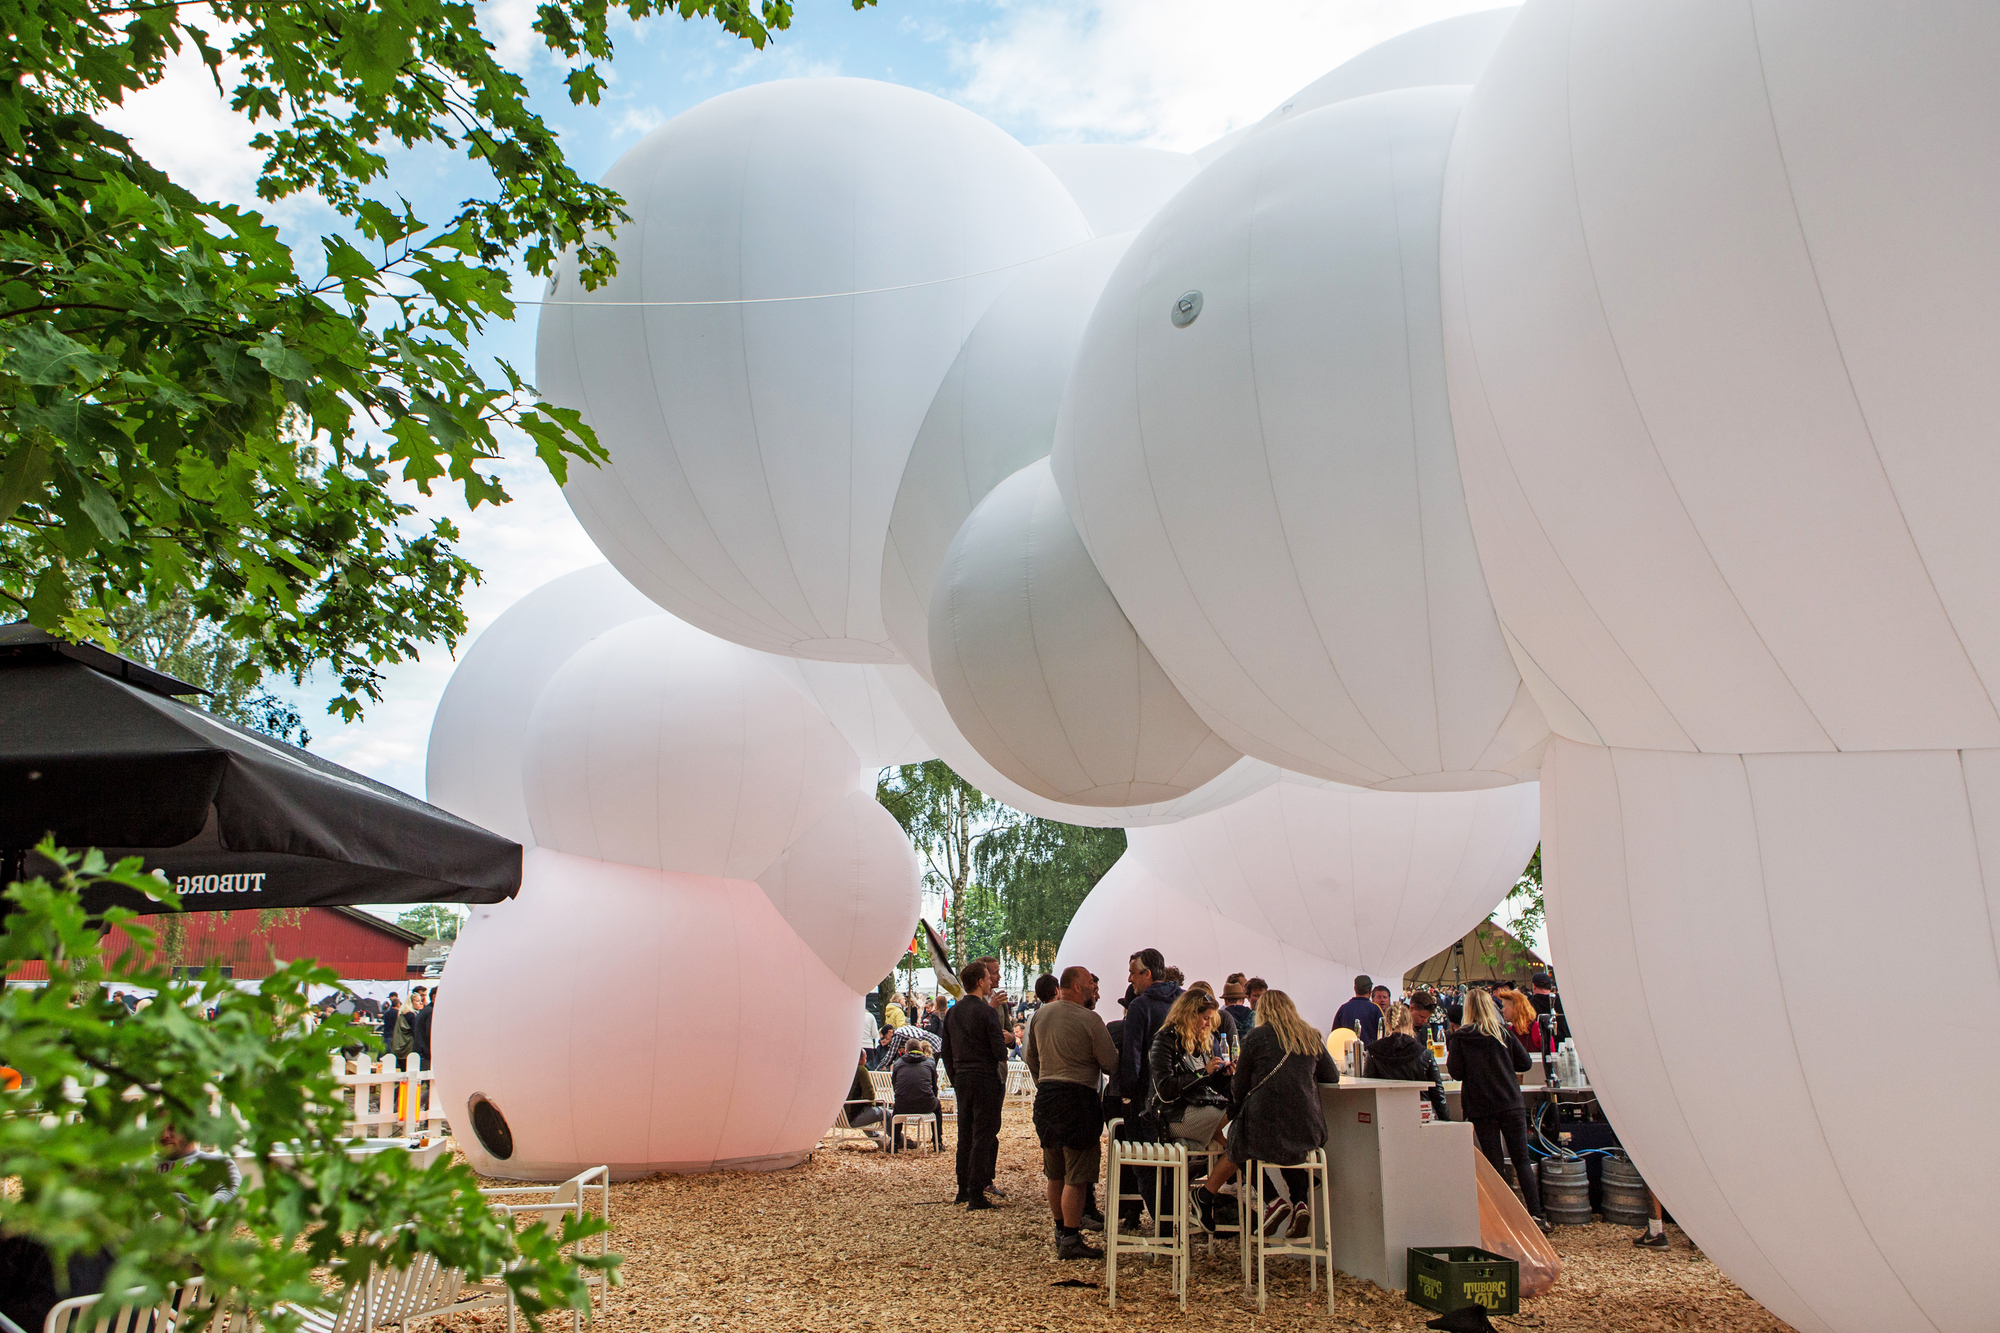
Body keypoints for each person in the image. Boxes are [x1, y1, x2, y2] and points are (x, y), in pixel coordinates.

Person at [1218, 990, 1339, 1240]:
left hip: (1266, 1125)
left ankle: (1272, 1200)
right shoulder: (1311, 1036)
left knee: (1237, 1141)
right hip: (1308, 1127)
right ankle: (1300, 1203)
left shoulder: (1256, 1037)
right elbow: (1332, 1076)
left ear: (1262, 1011)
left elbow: (1239, 1088)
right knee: (1289, 1149)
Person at [1024, 965, 1118, 1259]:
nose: (1094, 988)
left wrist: (1045, 1080)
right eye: (1091, 983)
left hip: (1048, 1097)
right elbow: (1110, 1063)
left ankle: (1059, 1229)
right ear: (1077, 986)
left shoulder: (1039, 1015)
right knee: (1077, 1174)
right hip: (1078, 1099)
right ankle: (1071, 1238)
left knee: (1055, 1171)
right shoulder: (1090, 1019)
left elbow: (1031, 1058)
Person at [1448, 989, 1548, 1232]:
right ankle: (1536, 1215)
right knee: (1521, 1160)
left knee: (1494, 1165)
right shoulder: (1503, 1033)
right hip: (1510, 1102)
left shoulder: (1461, 1038)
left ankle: (1504, 1218)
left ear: (1467, 1010)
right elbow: (1525, 1062)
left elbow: (1456, 1072)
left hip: (1481, 1106)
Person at [943, 960, 1008, 1209]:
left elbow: (946, 1052)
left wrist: (955, 1077)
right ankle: (977, 1192)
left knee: (965, 1135)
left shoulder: (953, 1012)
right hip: (984, 1078)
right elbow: (1000, 1052)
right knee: (983, 1134)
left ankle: (962, 1190)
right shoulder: (987, 1012)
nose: (992, 981)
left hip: (962, 1078)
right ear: (980, 982)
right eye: (988, 978)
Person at [1147, 989, 1233, 1160]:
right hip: (1175, 1114)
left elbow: (1207, 1084)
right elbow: (1165, 1089)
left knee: (1241, 1124)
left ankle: (1207, 1185)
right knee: (1238, 1127)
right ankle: (1210, 1185)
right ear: (1190, 1015)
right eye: (1206, 1018)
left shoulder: (1200, 1040)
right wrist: (1203, 1073)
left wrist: (1223, 1075)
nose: (1209, 1024)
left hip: (1200, 1107)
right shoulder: (1164, 1039)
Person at [1364, 1002, 1448, 1121]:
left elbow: (1368, 1090)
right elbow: (1438, 1094)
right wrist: (1447, 1121)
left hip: (1385, 1115)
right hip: (1420, 1114)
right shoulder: (1424, 1053)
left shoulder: (1373, 1051)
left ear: (1387, 1024)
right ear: (1410, 1023)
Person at [890, 1040, 941, 1152]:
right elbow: (934, 1086)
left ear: (906, 1051)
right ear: (921, 1050)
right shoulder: (930, 1063)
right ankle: (938, 1142)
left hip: (903, 1105)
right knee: (937, 1106)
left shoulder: (898, 1064)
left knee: (896, 1109)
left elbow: (895, 1085)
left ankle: (894, 1143)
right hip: (926, 1104)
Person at [1332, 975, 1383, 1046]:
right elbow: (1383, 1036)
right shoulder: (1375, 1009)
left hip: (1348, 1053)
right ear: (1370, 990)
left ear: (1354, 988)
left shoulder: (1343, 1009)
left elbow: (1335, 1035)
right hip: (1370, 1054)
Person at [1528, 972, 1569, 1044]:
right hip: (1566, 1044)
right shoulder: (1564, 1002)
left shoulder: (1529, 1005)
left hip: (1542, 1046)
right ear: (1550, 987)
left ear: (1534, 986)